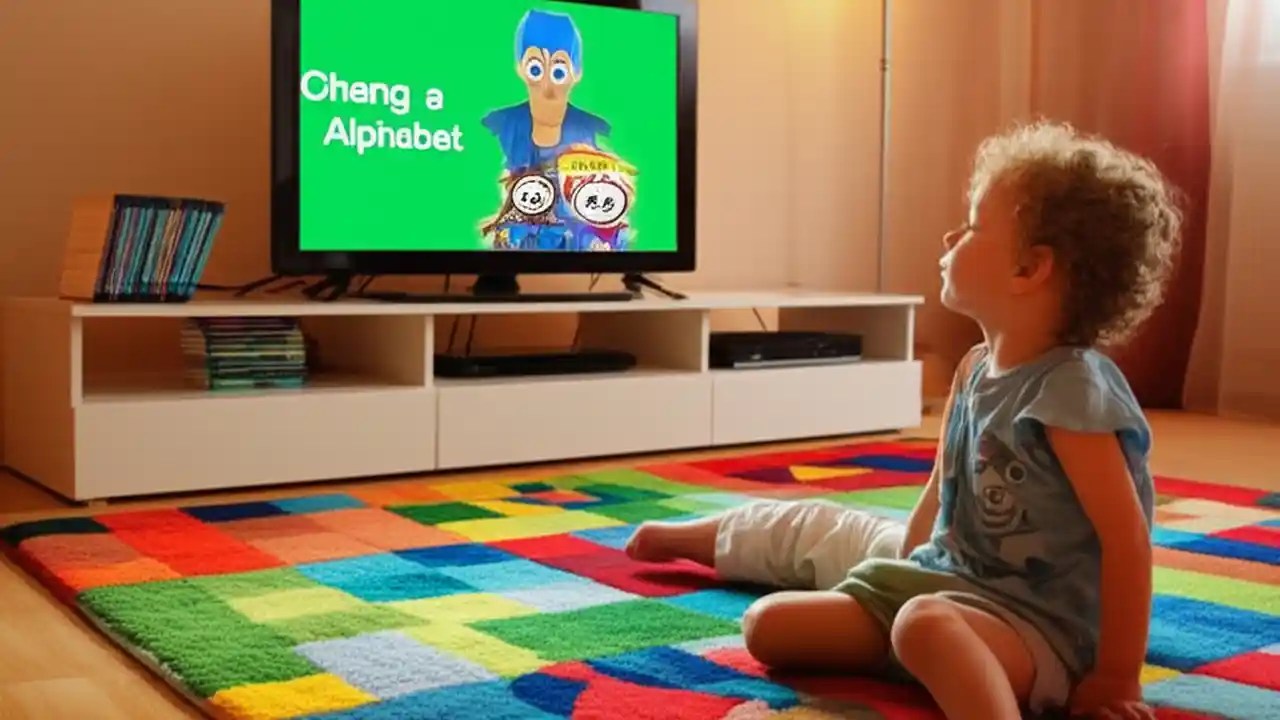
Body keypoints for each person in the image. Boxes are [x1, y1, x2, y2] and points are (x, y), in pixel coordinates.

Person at [626, 120, 1182, 720]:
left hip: (1042, 628)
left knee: (923, 625)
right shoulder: (973, 371)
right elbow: (940, 489)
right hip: (953, 587)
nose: (949, 235)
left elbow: (1126, 542)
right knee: (770, 626)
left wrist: (1117, 679)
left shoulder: (1070, 388)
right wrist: (905, 569)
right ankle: (938, 660)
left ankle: (968, 676)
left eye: (970, 226)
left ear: (1029, 271)